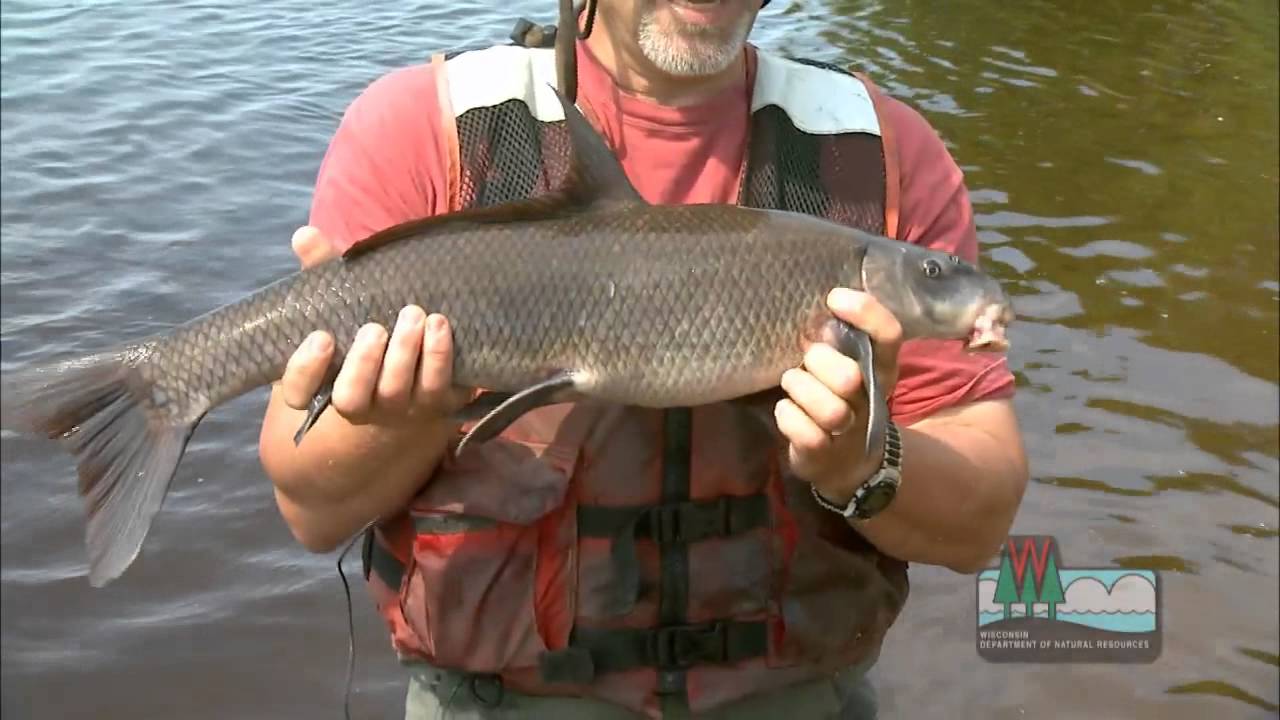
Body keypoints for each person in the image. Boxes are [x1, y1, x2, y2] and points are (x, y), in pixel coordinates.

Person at [258, 1, 1029, 717]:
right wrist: (399, 421)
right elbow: (311, 509)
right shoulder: (424, 130)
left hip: (796, 697)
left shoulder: (880, 154)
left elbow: (980, 525)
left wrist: (866, 463)